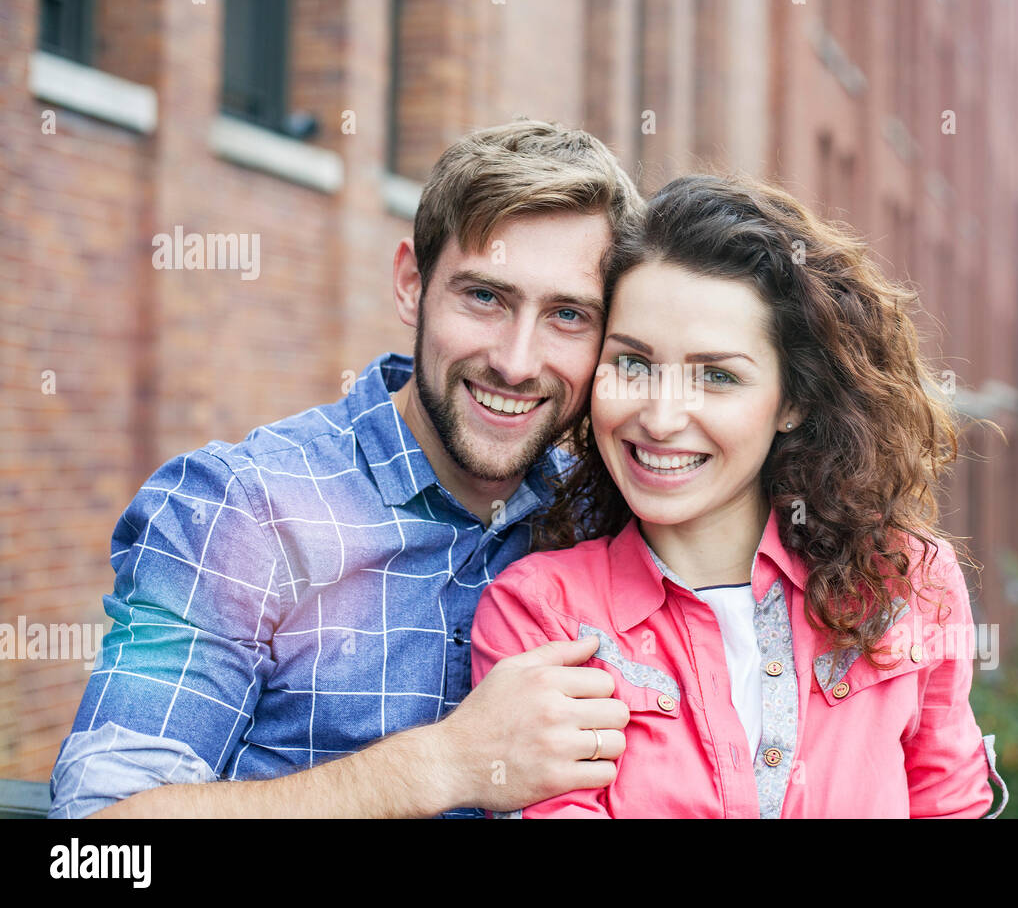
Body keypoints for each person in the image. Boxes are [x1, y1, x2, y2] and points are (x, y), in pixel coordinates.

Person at [47, 119, 644, 818]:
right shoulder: (239, 508)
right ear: (410, 284)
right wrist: (442, 763)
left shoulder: (607, 518)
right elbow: (96, 839)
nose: (516, 360)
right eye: (485, 296)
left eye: (568, 315)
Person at [471, 173, 1009, 817]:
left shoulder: (907, 582)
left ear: (793, 400)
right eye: (633, 363)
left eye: (717, 376)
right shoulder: (540, 615)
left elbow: (951, 804)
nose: (662, 418)